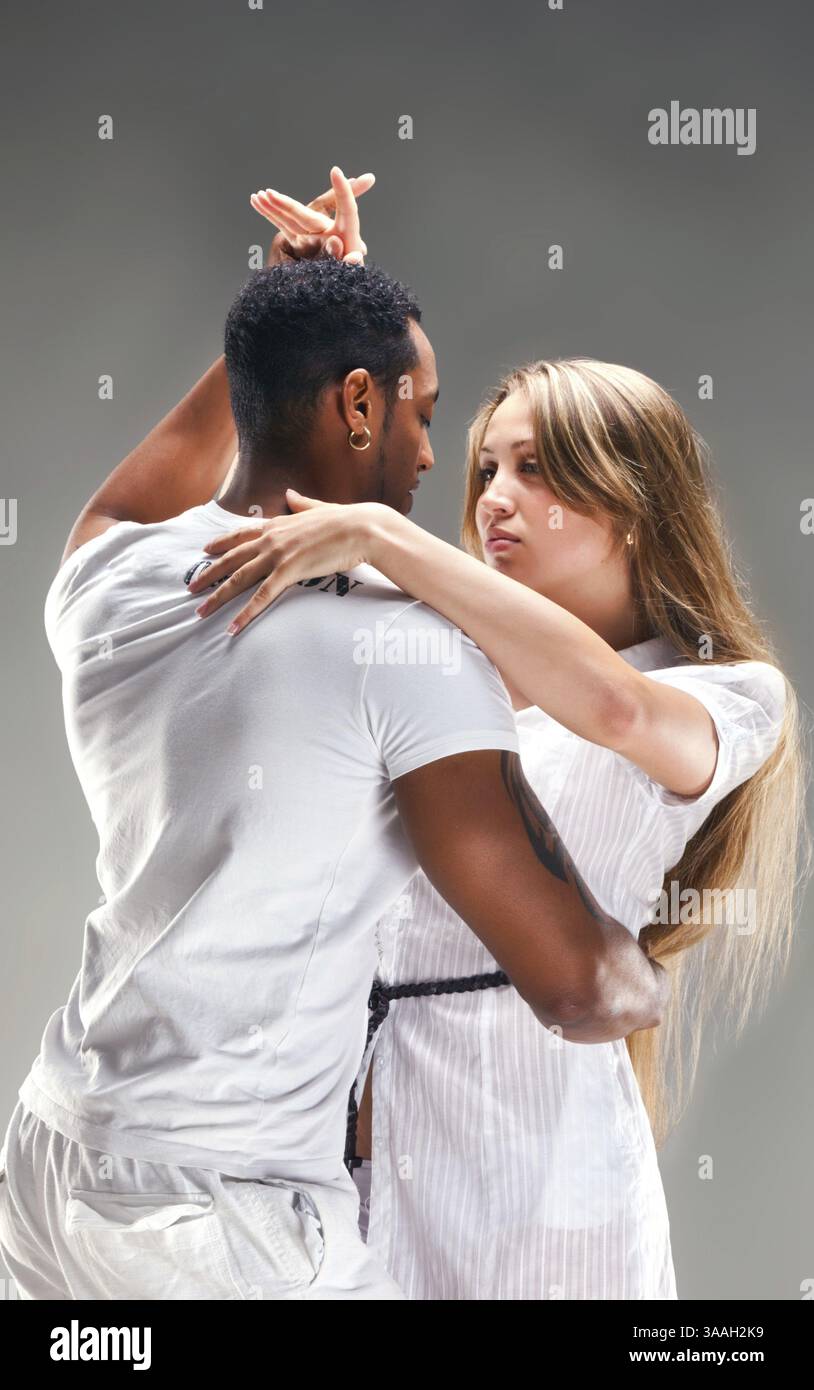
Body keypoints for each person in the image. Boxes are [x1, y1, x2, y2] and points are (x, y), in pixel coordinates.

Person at [0, 173, 667, 1302]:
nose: (424, 456)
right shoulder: (402, 652)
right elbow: (580, 991)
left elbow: (123, 505)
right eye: (421, 412)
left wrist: (291, 302)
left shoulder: (108, 576)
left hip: (54, 1158)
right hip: (223, 1220)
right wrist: (652, 968)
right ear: (358, 404)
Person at [185, 174, 810, 1299]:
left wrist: (380, 530)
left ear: (628, 499)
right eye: (484, 469)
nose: (491, 500)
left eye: (536, 469)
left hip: (544, 1156)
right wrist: (325, 330)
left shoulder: (730, 692)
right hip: (364, 1139)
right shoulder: (433, 654)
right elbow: (232, 545)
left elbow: (615, 713)